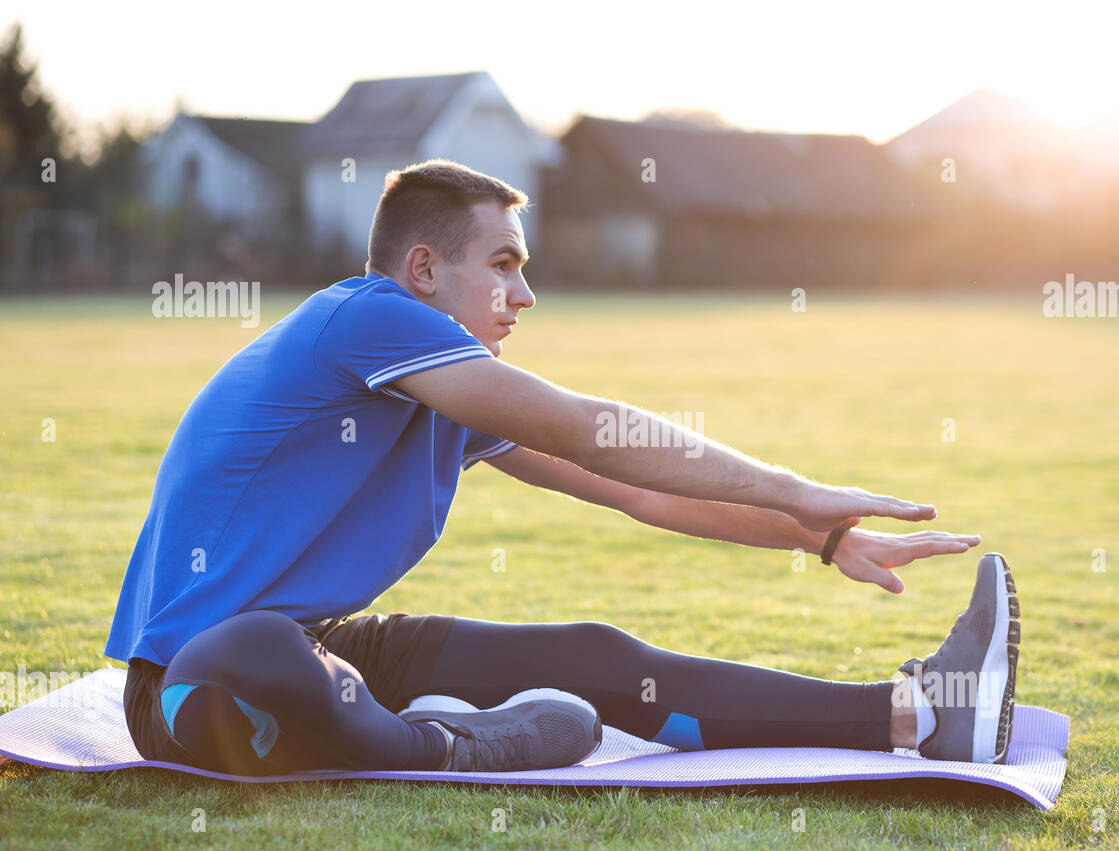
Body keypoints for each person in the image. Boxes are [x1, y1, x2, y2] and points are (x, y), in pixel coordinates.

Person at [106, 159, 1021, 777]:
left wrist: (820, 534)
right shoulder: (366, 318)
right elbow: (593, 429)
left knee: (597, 655)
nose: (525, 293)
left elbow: (638, 486)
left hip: (319, 650)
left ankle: (920, 717)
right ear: (422, 270)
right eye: (502, 264)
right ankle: (440, 747)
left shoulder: (445, 397)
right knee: (256, 646)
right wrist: (796, 489)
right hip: (201, 683)